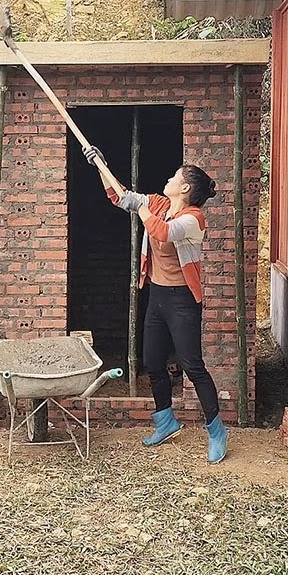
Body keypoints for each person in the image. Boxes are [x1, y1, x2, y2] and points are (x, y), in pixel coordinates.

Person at [83, 145, 228, 464]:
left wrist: (143, 209)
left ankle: (217, 431)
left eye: (175, 177)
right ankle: (165, 421)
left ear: (185, 187)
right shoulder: (160, 204)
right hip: (158, 296)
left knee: (192, 365)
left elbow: (162, 232)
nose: (168, 179)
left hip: (183, 301)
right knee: (152, 361)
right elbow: (122, 198)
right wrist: (100, 165)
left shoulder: (194, 218)